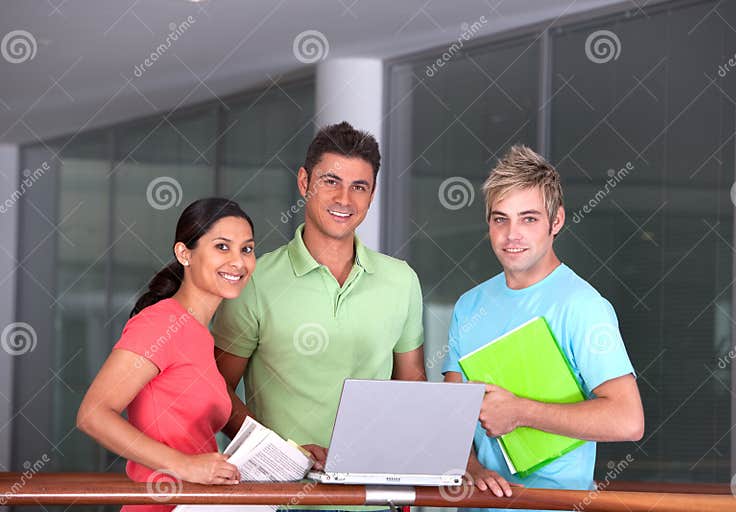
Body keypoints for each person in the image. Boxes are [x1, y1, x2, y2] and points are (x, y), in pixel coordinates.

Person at [212, 122, 427, 507]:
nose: (344, 198)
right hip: (282, 500)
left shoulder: (402, 281)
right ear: (304, 182)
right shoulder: (254, 281)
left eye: (359, 186)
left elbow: (411, 384)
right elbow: (217, 391)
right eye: (331, 181)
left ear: (372, 194)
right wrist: (282, 454)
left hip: (373, 501)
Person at [442, 145, 644, 512]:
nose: (512, 234)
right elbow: (452, 417)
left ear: (556, 221)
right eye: (500, 219)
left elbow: (628, 420)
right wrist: (472, 467)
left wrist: (521, 412)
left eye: (529, 219)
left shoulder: (583, 307)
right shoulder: (468, 307)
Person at [77, 198, 257, 512]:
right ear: (184, 253)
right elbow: (93, 415)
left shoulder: (201, 336)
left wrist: (298, 455)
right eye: (222, 247)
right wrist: (184, 465)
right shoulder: (162, 323)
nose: (239, 262)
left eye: (247, 249)